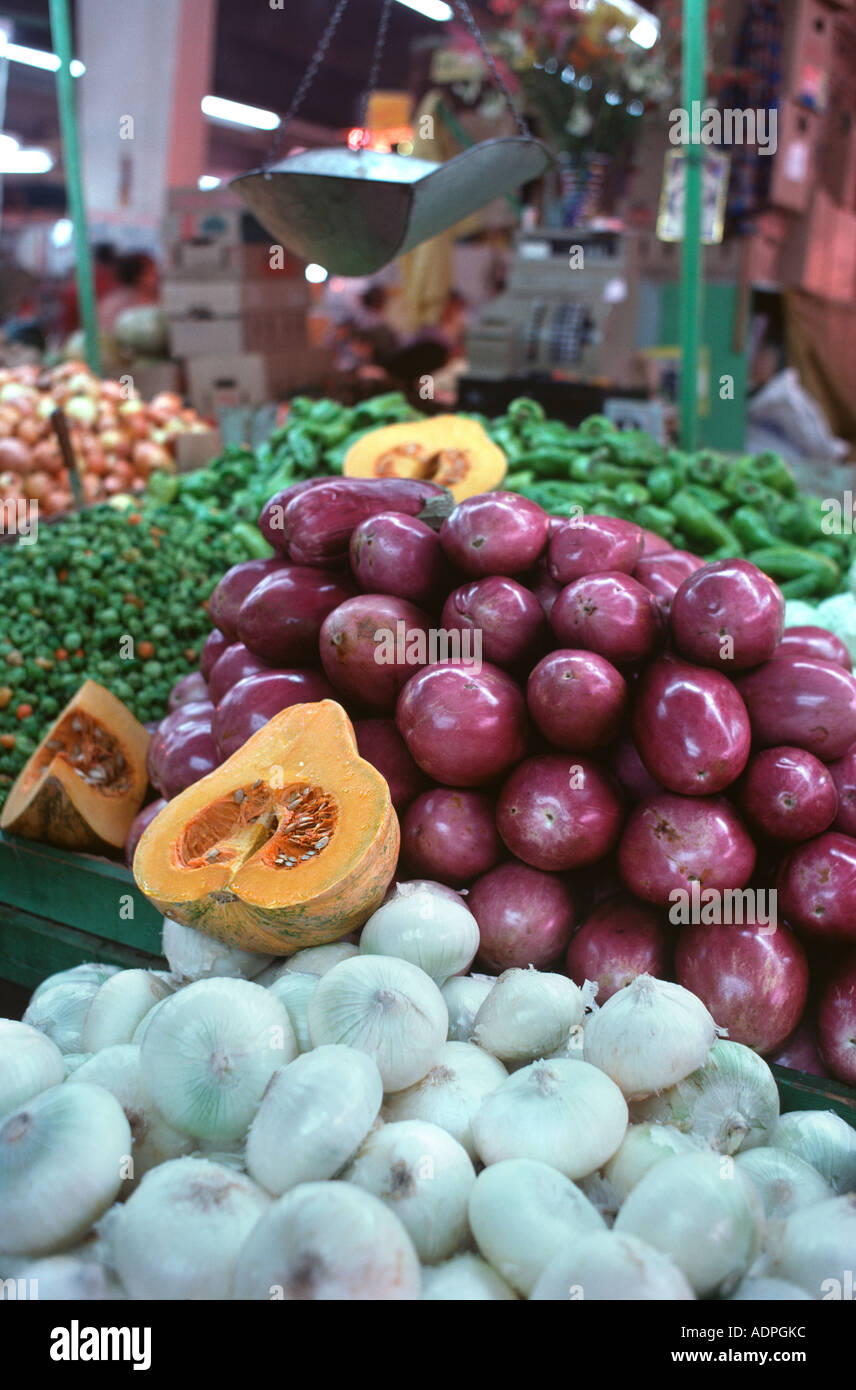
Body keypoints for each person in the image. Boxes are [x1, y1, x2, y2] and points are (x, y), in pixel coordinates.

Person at [97, 252, 159, 332]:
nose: (158, 274)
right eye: (152, 271)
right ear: (139, 276)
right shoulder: (117, 303)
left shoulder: (154, 297)